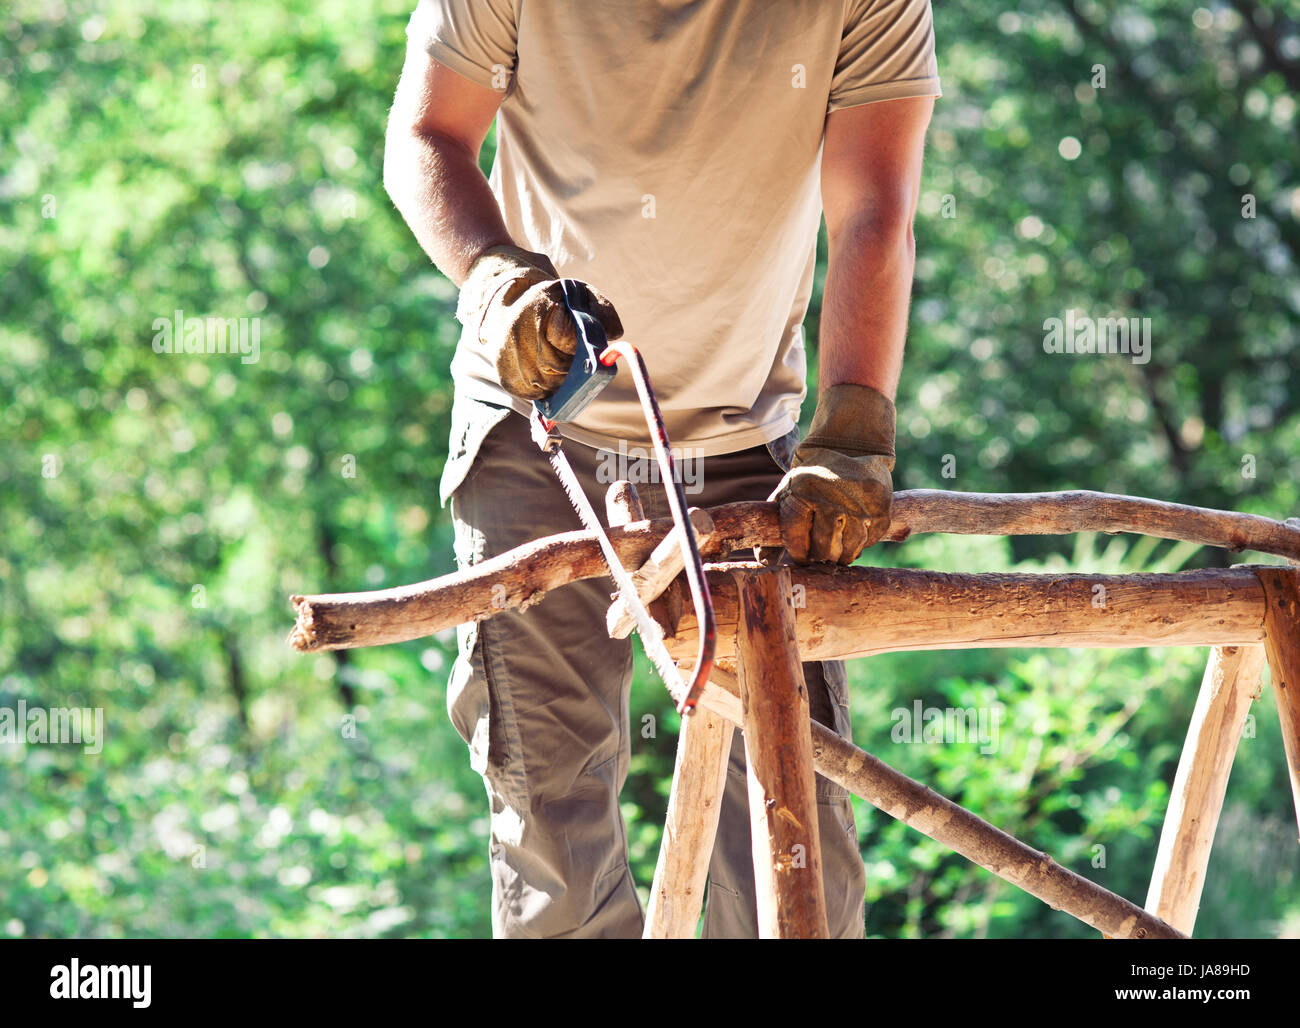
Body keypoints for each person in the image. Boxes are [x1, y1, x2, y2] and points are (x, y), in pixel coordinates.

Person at [384, 0, 940, 938]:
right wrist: (493, 280)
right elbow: (429, 134)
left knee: (789, 840)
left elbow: (874, 207)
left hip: (748, 455)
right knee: (548, 821)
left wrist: (854, 427)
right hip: (535, 432)